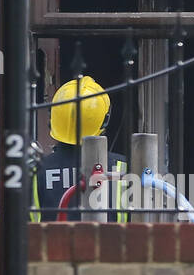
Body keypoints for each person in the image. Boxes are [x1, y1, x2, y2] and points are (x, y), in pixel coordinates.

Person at [31, 75, 128, 221]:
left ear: (54, 117)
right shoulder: (122, 168)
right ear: (105, 120)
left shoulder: (37, 171)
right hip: (112, 244)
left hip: (52, 244)